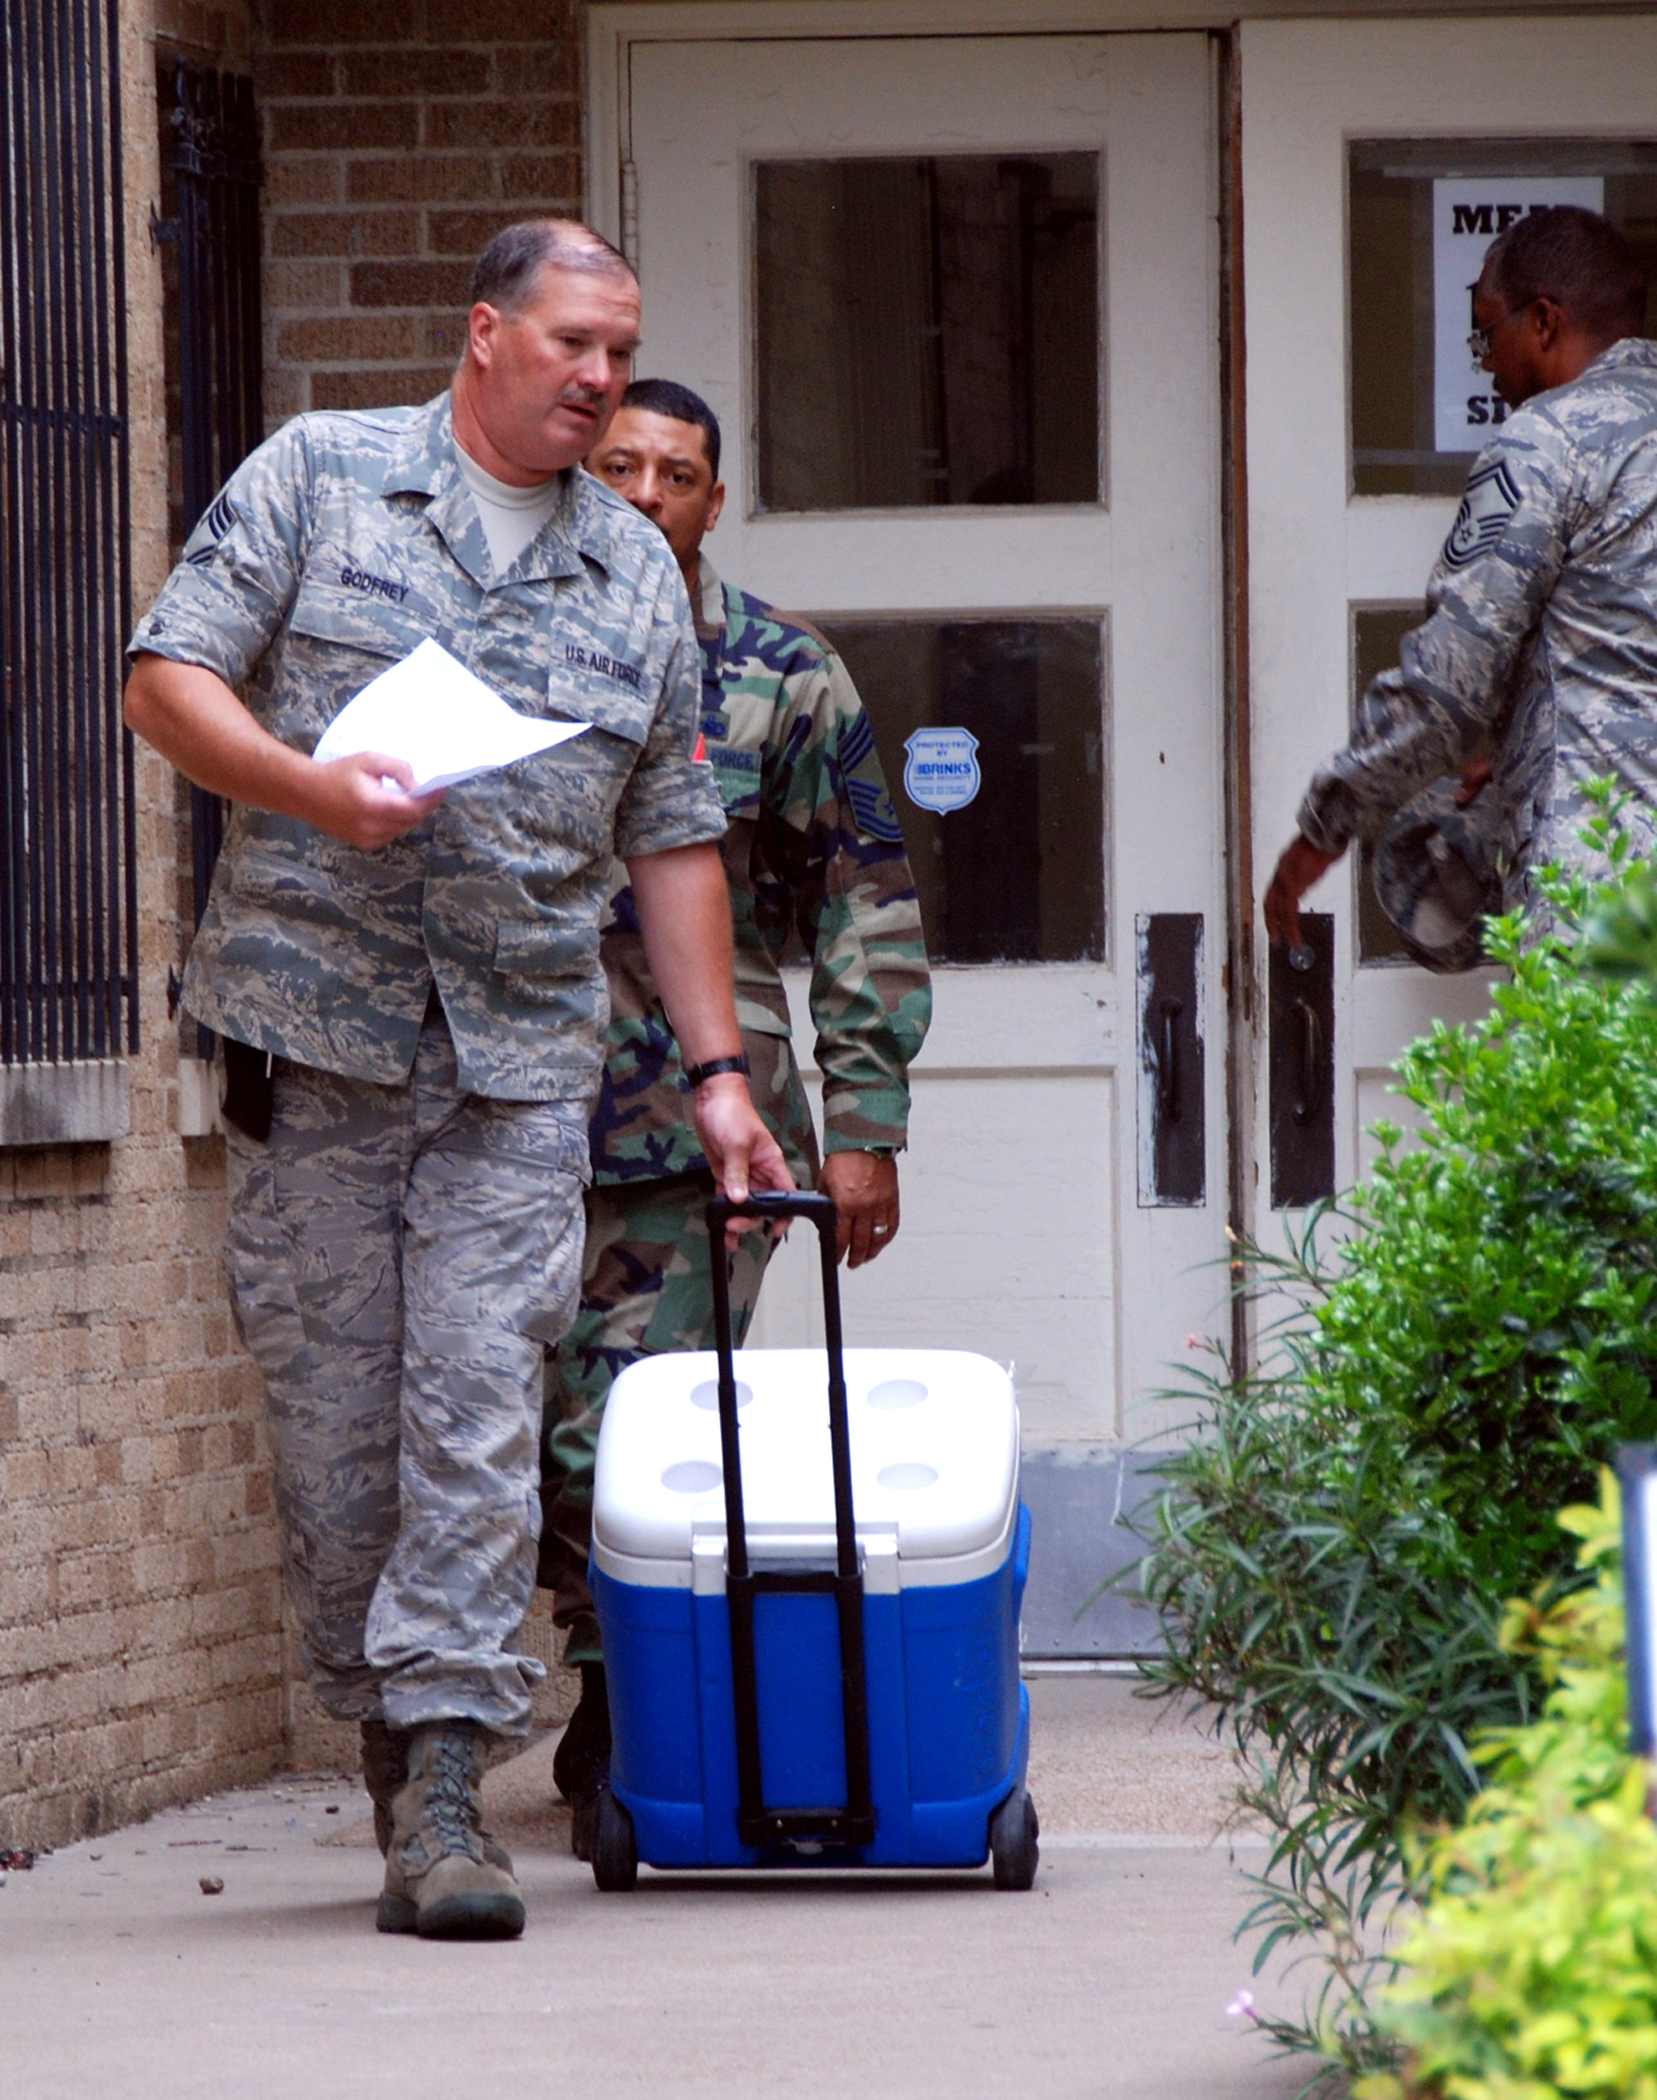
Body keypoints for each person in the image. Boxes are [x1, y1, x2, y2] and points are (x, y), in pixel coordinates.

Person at [122, 223, 790, 1942]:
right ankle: (384, 1721)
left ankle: (442, 1774)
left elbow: (673, 836)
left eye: (620, 352)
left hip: (515, 1062)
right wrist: (303, 787)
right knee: (342, 1439)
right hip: (315, 1048)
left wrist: (718, 1075)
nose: (598, 379)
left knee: (480, 1408)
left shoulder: (632, 572)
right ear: (483, 331)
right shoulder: (324, 479)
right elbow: (163, 680)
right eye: (571, 344)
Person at [538, 379, 932, 1848]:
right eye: (618, 465)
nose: (645, 493)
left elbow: (864, 901)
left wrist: (865, 1115)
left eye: (678, 474)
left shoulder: (782, 673)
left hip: (693, 1128)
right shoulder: (511, 643)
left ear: (716, 500)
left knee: (631, 1431)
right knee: (500, 1430)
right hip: (493, 1103)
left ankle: (618, 1721)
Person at [1265, 206, 1656, 955]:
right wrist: (1519, 740)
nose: (1484, 361)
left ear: (1542, 321)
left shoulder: (1547, 441)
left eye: (1487, 333)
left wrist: (1326, 823)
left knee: (1588, 1077)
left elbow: (1447, 685)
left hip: (1609, 901)